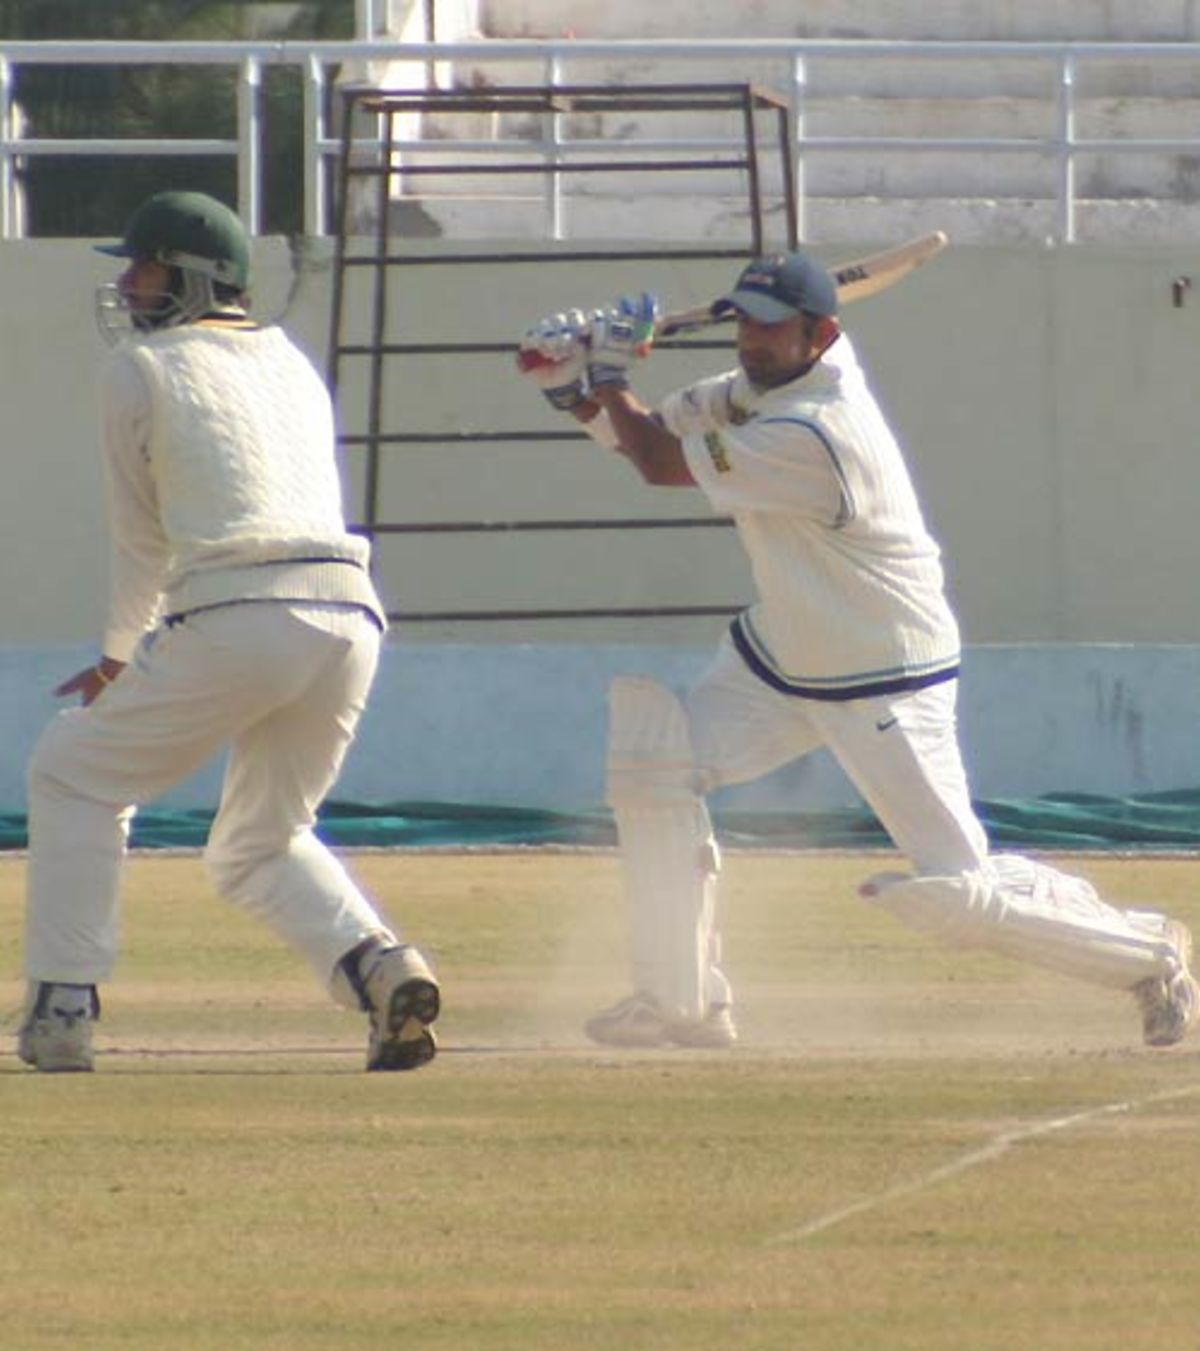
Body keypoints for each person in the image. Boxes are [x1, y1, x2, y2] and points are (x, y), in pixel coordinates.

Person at [517, 251, 1199, 1051]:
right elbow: (643, 435)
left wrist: (604, 371)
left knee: (955, 894)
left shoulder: (818, 432)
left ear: (821, 332)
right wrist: (569, 385)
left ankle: (1150, 956)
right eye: (744, 319)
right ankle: (679, 1002)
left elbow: (662, 464)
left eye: (772, 327)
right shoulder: (760, 388)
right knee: (654, 765)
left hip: (885, 677)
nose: (751, 340)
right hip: (781, 656)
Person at [17, 190, 439, 1073]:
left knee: (71, 772)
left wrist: (117, 659)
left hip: (241, 607)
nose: (129, 284)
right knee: (259, 839)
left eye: (145, 265)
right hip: (352, 615)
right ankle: (379, 966)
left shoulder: (142, 368)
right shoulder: (291, 361)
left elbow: (142, 541)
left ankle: (62, 1003)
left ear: (198, 276)